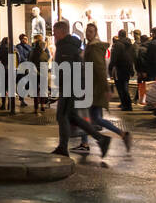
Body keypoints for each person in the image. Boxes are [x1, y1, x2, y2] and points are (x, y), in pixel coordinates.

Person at [50, 20, 111, 159]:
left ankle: (63, 147)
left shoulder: (66, 47)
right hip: (72, 86)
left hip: (71, 86)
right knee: (72, 116)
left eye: (55, 31)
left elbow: (71, 69)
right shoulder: (67, 45)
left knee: (62, 116)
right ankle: (101, 139)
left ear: (61, 31)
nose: (53, 34)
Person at [77, 24, 131, 152]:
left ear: (95, 33)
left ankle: (85, 144)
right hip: (92, 87)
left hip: (93, 88)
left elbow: (100, 69)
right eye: (87, 31)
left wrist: (106, 88)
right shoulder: (90, 46)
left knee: (85, 116)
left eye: (91, 31)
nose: (88, 33)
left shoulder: (94, 48)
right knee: (94, 118)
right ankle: (122, 134)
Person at [108, 30, 134, 111]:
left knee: (120, 88)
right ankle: (127, 104)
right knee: (125, 87)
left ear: (119, 35)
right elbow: (132, 57)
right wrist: (131, 69)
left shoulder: (118, 45)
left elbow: (114, 58)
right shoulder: (130, 45)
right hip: (127, 68)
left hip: (119, 68)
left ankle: (125, 104)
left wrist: (110, 68)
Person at [29, 34, 49, 114]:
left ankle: (36, 108)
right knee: (43, 89)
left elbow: (30, 60)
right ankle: (43, 105)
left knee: (35, 90)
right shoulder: (45, 52)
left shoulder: (33, 51)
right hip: (43, 72)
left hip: (34, 72)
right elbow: (47, 59)